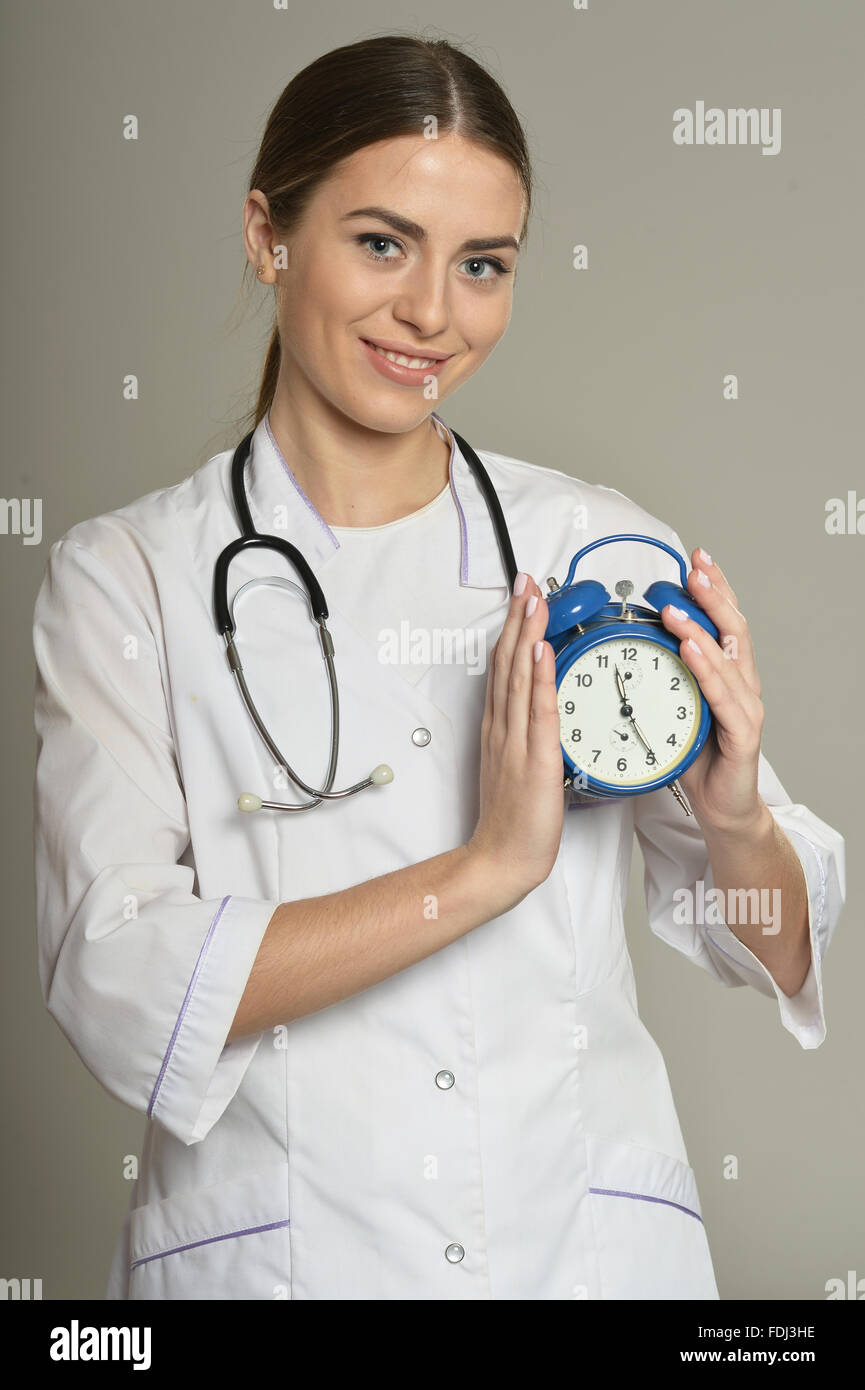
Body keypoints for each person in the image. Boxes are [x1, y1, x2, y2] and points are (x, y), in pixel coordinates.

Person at [32, 34, 845, 1301]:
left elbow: (779, 949)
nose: (432, 313)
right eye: (379, 242)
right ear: (268, 235)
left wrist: (736, 818)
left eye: (482, 266)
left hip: (579, 1257)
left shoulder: (593, 545)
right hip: (290, 1265)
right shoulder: (126, 576)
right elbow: (118, 976)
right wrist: (485, 870)